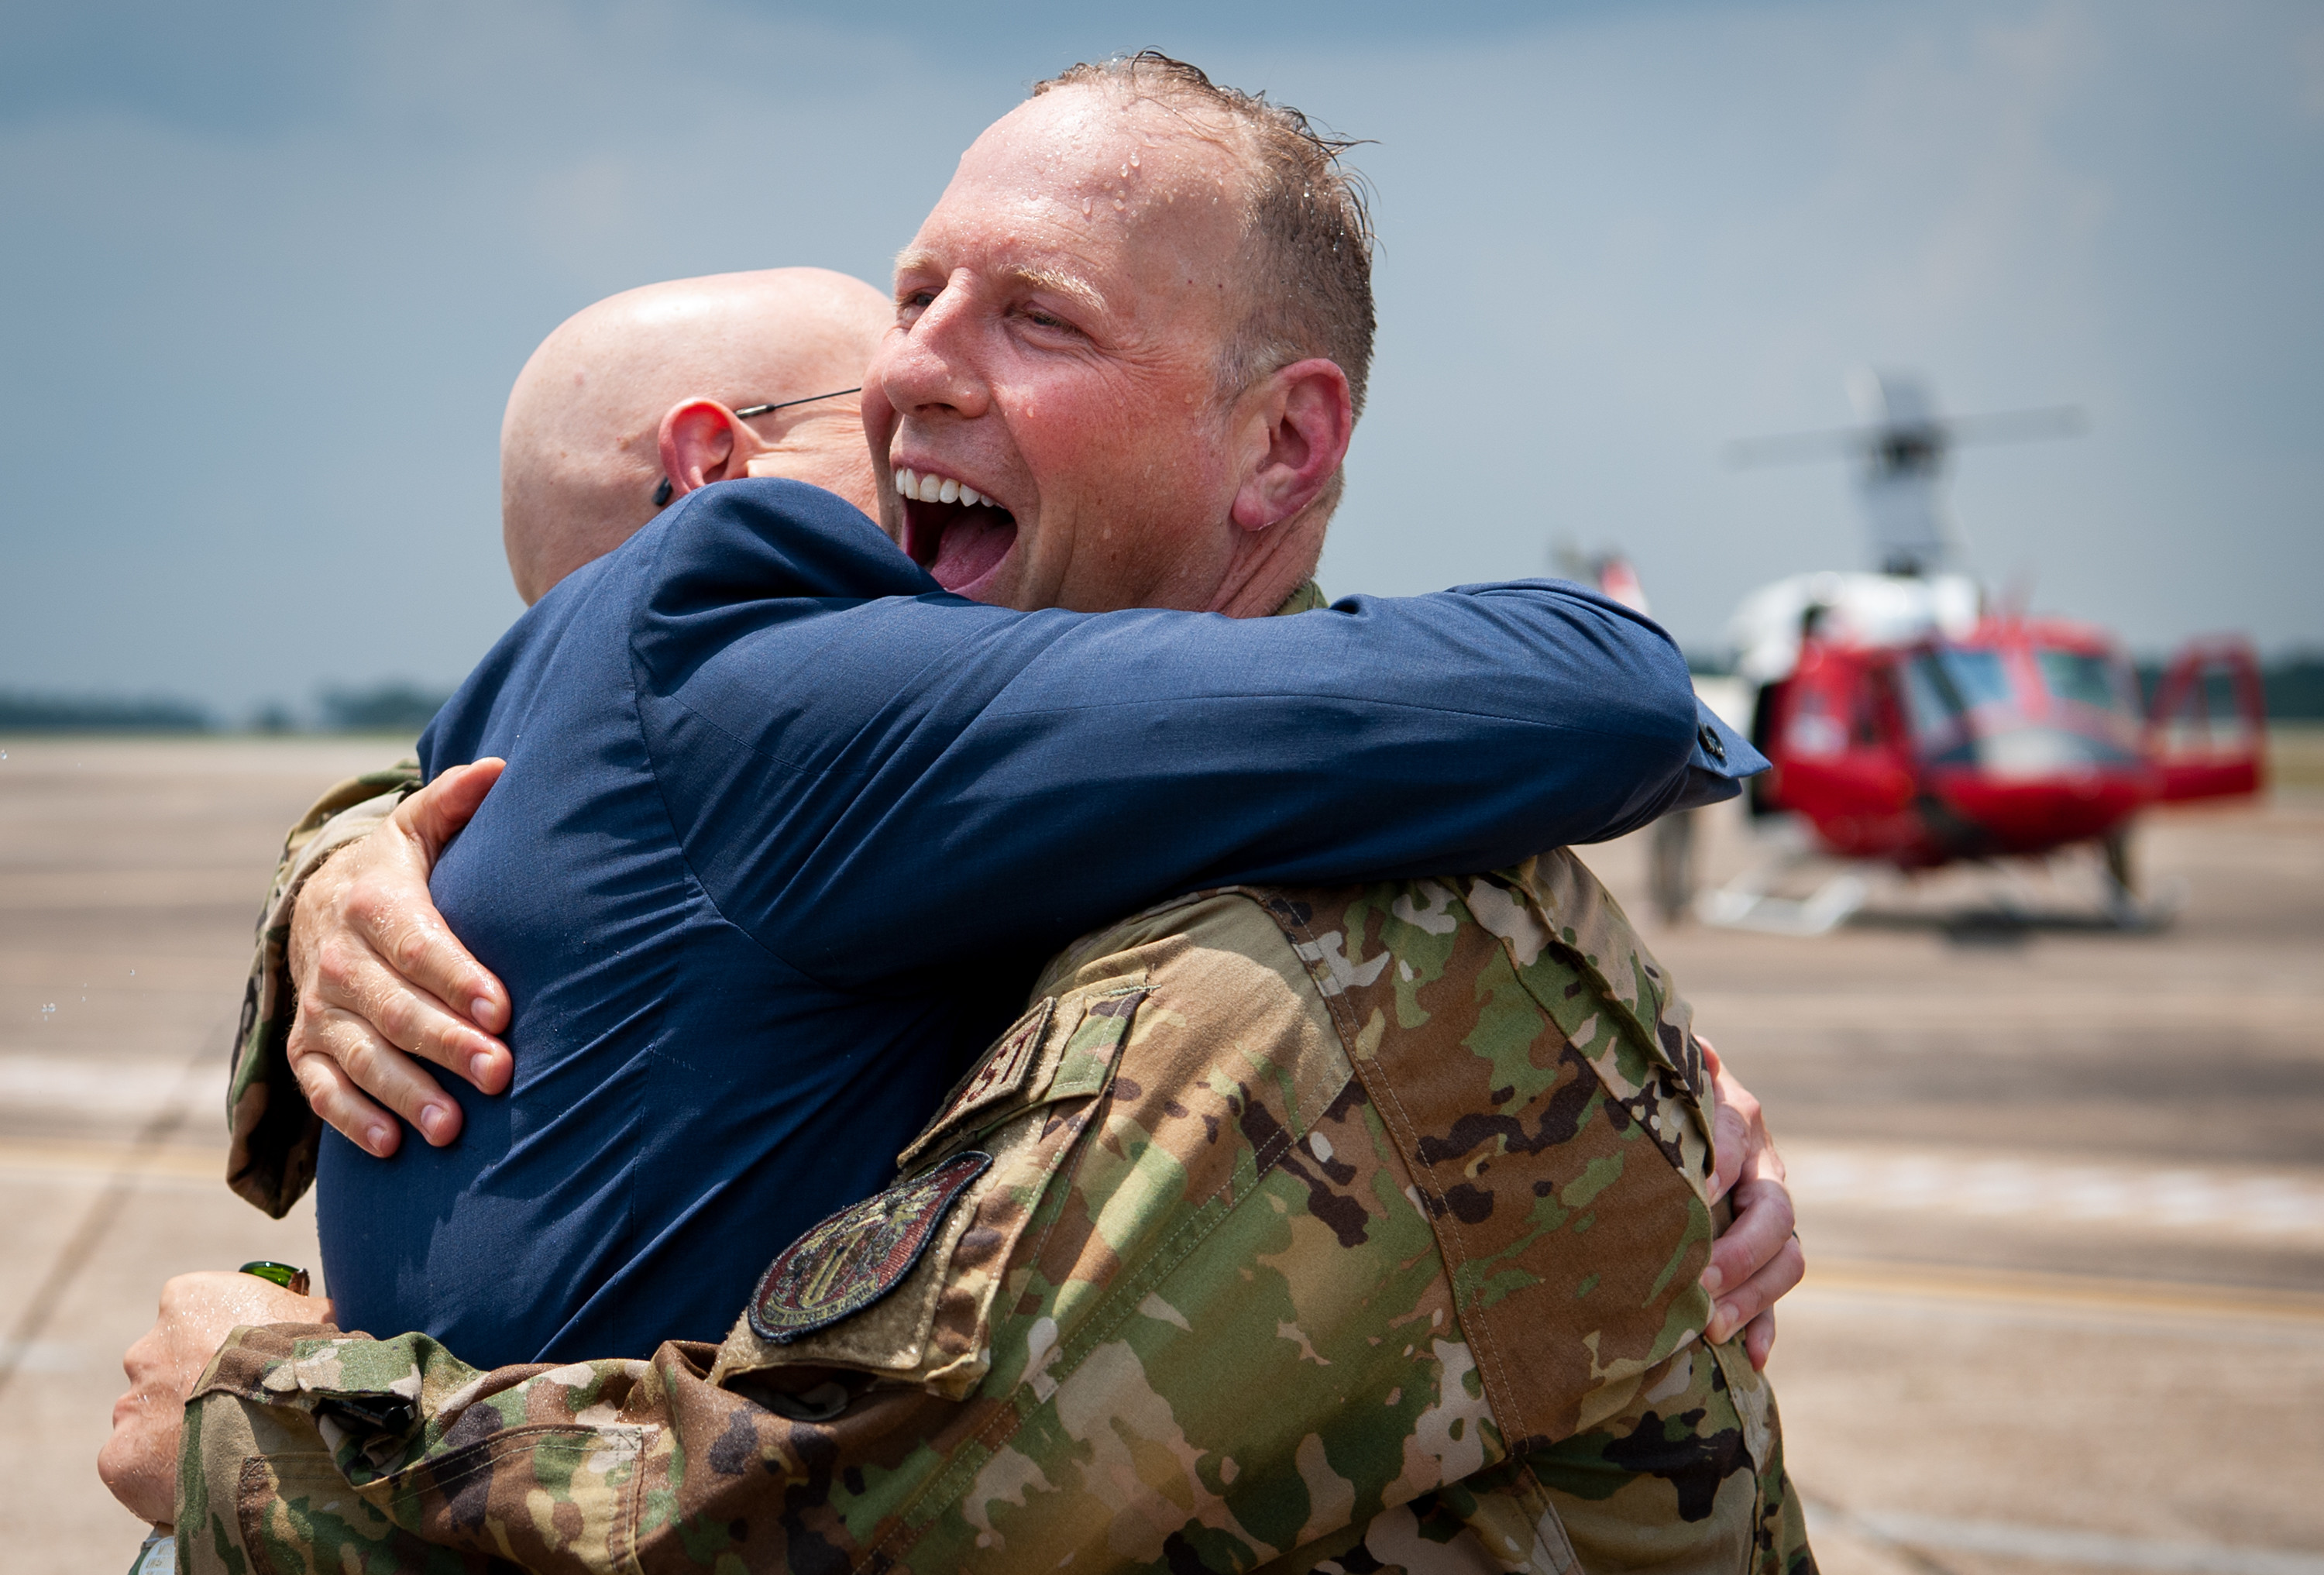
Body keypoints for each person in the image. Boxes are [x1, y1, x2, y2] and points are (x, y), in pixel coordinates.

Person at [113, 53, 1810, 1573]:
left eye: (1038, 318)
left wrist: (255, 1416)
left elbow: (824, 1522)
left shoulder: (1302, 968)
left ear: (1283, 446)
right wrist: (340, 858)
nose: (910, 369)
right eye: (914, 300)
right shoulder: (949, 809)